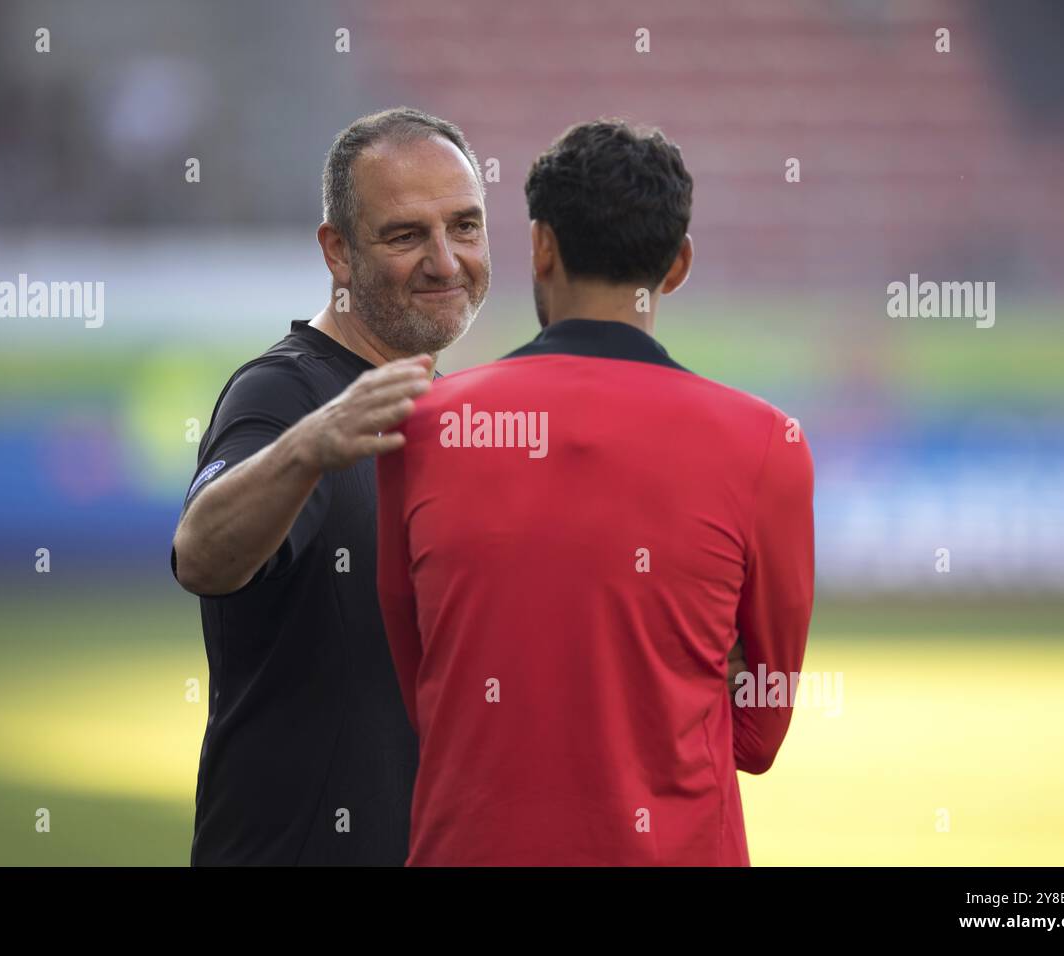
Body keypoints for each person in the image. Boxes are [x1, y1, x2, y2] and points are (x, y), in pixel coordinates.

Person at [376, 119, 813, 866]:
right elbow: (759, 732)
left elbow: (422, 688)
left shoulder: (423, 423)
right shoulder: (766, 442)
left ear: (541, 245)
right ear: (677, 265)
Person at [171, 107, 490, 865]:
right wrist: (308, 447)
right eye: (406, 235)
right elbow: (201, 555)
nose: (446, 261)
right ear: (337, 252)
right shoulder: (286, 394)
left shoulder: (447, 409)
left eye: (466, 226)